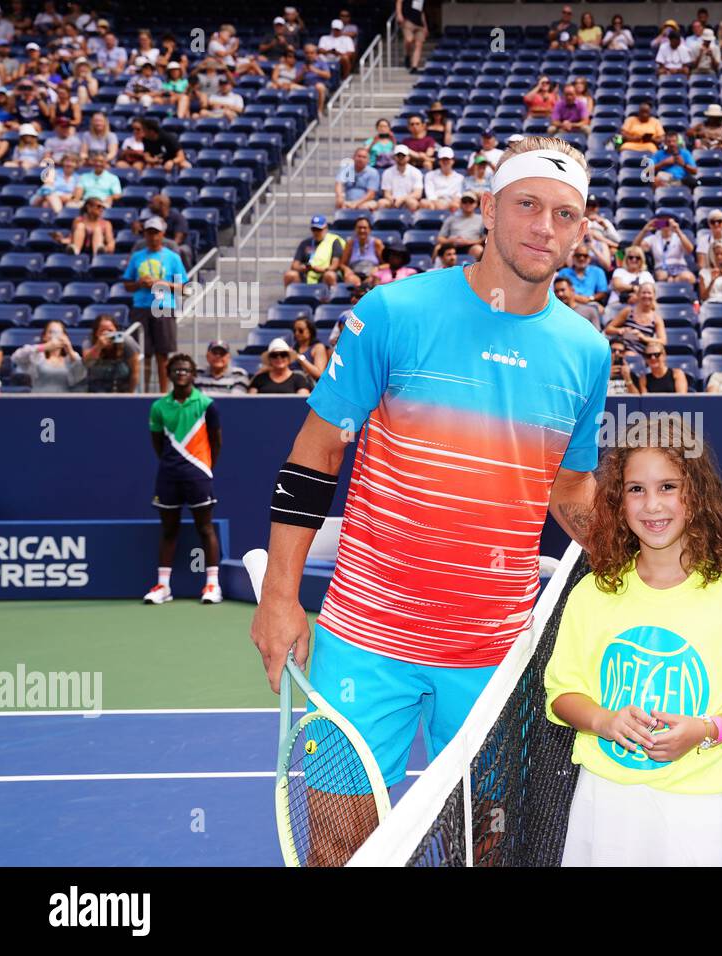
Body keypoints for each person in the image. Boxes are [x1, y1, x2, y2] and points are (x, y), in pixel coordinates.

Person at [249, 136, 610, 866]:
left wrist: (643, 560)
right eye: (528, 205)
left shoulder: (585, 351)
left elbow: (570, 491)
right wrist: (281, 596)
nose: (545, 226)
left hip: (497, 657)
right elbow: (316, 454)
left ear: (582, 230)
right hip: (364, 639)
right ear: (487, 209)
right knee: (340, 851)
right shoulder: (393, 312)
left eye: (565, 214)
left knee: (484, 851)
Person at [545, 416, 722, 866]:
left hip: (698, 806)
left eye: (668, 487)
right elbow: (562, 693)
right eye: (636, 489)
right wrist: (602, 721)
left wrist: (702, 731)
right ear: (618, 502)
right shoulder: (592, 594)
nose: (652, 505)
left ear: (695, 495)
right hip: (606, 798)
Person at [144, 353, 223, 605]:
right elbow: (157, 443)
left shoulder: (207, 404)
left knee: (205, 528)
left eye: (186, 369)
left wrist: (203, 468)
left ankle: (212, 585)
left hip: (198, 474)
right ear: (168, 374)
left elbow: (216, 441)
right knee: (168, 530)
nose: (181, 373)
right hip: (168, 475)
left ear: (194, 374)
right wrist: (173, 463)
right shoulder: (158, 407)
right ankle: (163, 587)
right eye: (176, 370)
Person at [124, 216, 188, 392]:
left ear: (162, 234)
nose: (153, 237)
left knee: (163, 354)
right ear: (144, 234)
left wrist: (162, 283)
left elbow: (185, 288)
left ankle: (163, 393)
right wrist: (139, 284)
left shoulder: (173, 258)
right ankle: (143, 392)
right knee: (143, 354)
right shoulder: (137, 257)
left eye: (156, 233)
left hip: (163, 307)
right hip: (141, 307)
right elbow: (127, 284)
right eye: (149, 233)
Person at [12, 320, 86, 392]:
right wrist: (43, 347)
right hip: (39, 399)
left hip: (63, 400)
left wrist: (70, 350)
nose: (55, 336)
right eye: (51, 332)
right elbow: (16, 357)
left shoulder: (70, 359)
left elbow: (81, 373)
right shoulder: (37, 357)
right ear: (44, 336)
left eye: (59, 333)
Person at [82, 314, 139, 393]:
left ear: (116, 330)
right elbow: (87, 363)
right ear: (96, 333)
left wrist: (130, 394)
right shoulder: (89, 342)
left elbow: (135, 372)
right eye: (102, 331)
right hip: (97, 392)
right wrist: (98, 346)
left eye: (110, 331)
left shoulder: (127, 341)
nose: (107, 334)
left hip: (123, 391)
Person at [606, 281, 666, 355]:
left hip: (641, 355)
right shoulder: (628, 311)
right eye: (644, 293)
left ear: (654, 296)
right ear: (638, 295)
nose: (646, 296)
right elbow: (608, 329)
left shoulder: (656, 319)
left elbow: (663, 341)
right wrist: (620, 330)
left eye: (649, 293)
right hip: (621, 350)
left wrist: (643, 338)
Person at [285, 214, 344, 288]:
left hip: (324, 274)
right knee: (290, 275)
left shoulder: (333, 241)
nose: (316, 232)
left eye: (319, 229)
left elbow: (335, 265)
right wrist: (302, 268)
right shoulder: (305, 243)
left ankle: (328, 298)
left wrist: (321, 269)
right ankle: (292, 299)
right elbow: (294, 265)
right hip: (306, 274)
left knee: (330, 275)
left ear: (325, 228)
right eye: (314, 229)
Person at [637, 215, 696, 284]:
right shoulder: (653, 238)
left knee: (688, 277)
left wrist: (678, 231)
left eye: (667, 222)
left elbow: (690, 250)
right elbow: (635, 248)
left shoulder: (679, 237)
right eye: (662, 222)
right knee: (662, 276)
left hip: (680, 267)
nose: (665, 224)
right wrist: (644, 230)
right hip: (661, 268)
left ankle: (673, 281)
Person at [433, 191, 485, 261]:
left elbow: (484, 239)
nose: (467, 204)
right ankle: (435, 270)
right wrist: (450, 241)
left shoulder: (481, 219)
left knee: (478, 249)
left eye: (471, 201)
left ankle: (478, 271)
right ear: (460, 204)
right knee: (438, 248)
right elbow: (440, 238)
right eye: (464, 201)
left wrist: (468, 242)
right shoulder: (451, 218)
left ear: (476, 204)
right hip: (452, 245)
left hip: (471, 246)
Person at [377, 144, 423, 210]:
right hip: (392, 200)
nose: (401, 158)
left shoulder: (416, 172)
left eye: (403, 156)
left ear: (408, 157)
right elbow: (386, 193)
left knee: (412, 203)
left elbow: (417, 193)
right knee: (381, 203)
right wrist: (393, 200)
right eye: (398, 155)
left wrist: (402, 199)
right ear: (394, 157)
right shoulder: (387, 172)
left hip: (409, 199)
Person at [340, 215, 382, 287]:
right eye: (359, 228)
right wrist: (347, 270)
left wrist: (377, 268)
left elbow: (387, 264)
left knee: (375, 280)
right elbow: (342, 264)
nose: (362, 230)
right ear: (355, 229)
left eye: (365, 228)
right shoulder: (350, 243)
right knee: (350, 280)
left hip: (371, 274)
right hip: (354, 274)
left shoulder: (376, 243)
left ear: (369, 229)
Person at [336, 147, 379, 211]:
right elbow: (338, 184)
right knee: (339, 203)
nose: (361, 159)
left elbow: (371, 194)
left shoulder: (373, 172)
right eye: (359, 156)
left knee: (365, 207)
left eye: (364, 157)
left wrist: (357, 203)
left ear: (368, 160)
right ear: (353, 157)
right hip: (348, 201)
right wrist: (339, 197)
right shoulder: (346, 169)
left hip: (366, 202)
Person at [289, 316, 329, 383]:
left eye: (300, 330)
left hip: (310, 386)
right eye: (294, 330)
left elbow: (319, 373)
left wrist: (300, 358)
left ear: (310, 331)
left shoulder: (318, 347)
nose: (297, 333)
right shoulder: (292, 349)